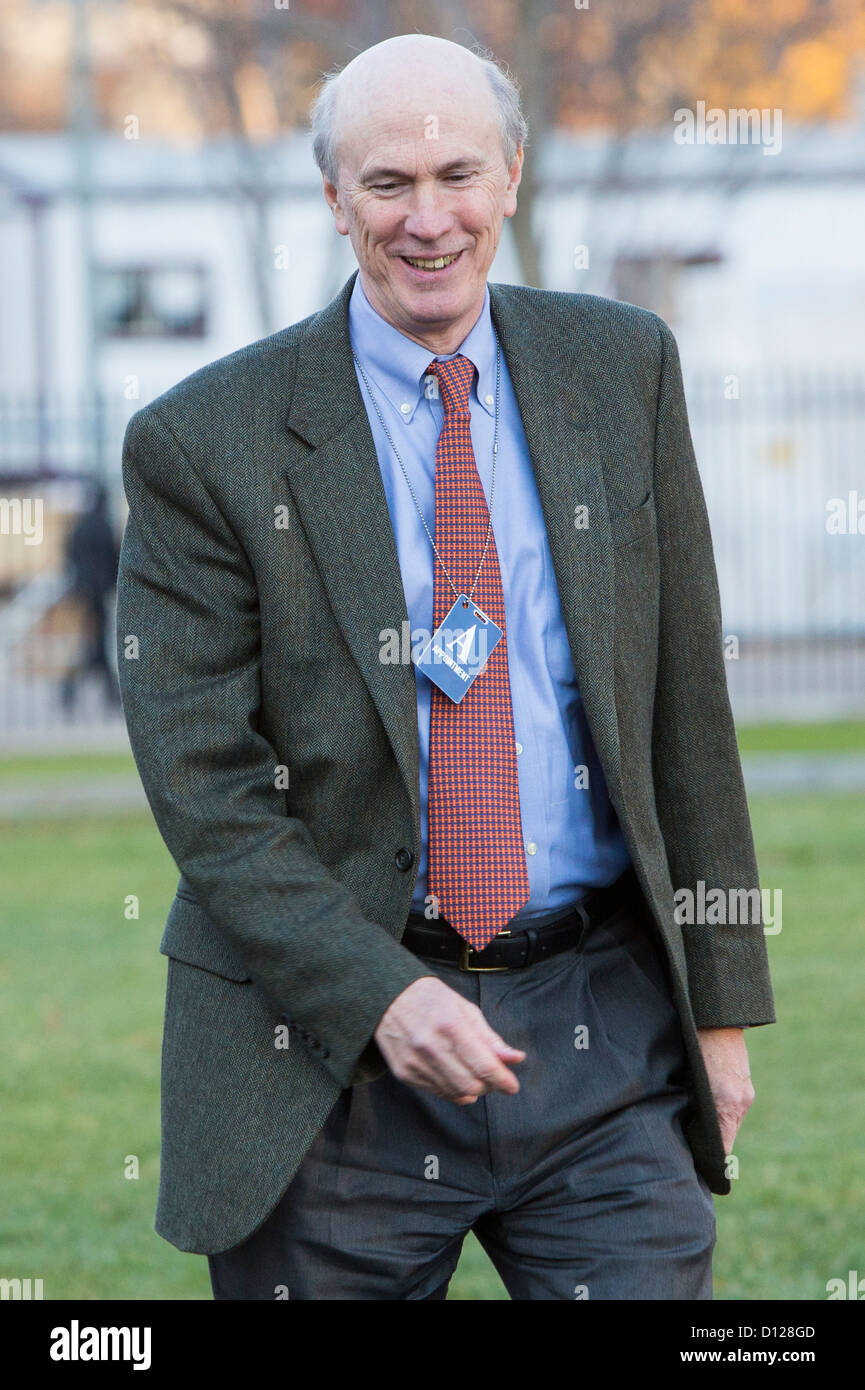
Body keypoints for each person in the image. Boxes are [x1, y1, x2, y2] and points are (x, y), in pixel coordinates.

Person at [116, 34, 774, 1301]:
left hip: (600, 1032)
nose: (429, 219)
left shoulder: (620, 368)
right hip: (324, 1060)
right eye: (386, 185)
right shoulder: (205, 444)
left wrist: (721, 1009)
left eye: (457, 174)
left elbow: (687, 704)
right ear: (331, 198)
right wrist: (377, 995)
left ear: (513, 176)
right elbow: (205, 785)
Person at [62, 481, 120, 711]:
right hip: (98, 592)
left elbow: (70, 555)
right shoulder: (104, 526)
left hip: (82, 591)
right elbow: (114, 557)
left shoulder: (80, 525)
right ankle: (109, 693)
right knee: (95, 644)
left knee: (91, 643)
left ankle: (72, 689)